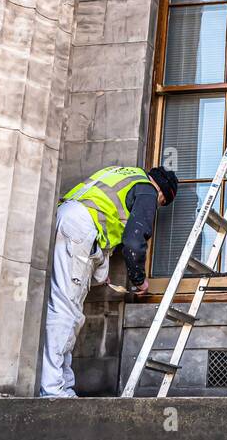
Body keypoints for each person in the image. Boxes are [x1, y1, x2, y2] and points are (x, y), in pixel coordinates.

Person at [40, 165, 178, 397]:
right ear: (163, 193)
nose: (156, 206)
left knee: (66, 306)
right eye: (161, 203)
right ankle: (53, 389)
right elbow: (134, 242)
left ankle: (62, 382)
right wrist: (139, 279)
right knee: (67, 309)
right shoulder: (148, 191)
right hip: (80, 228)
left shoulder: (124, 174)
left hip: (65, 218)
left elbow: (102, 219)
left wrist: (99, 269)